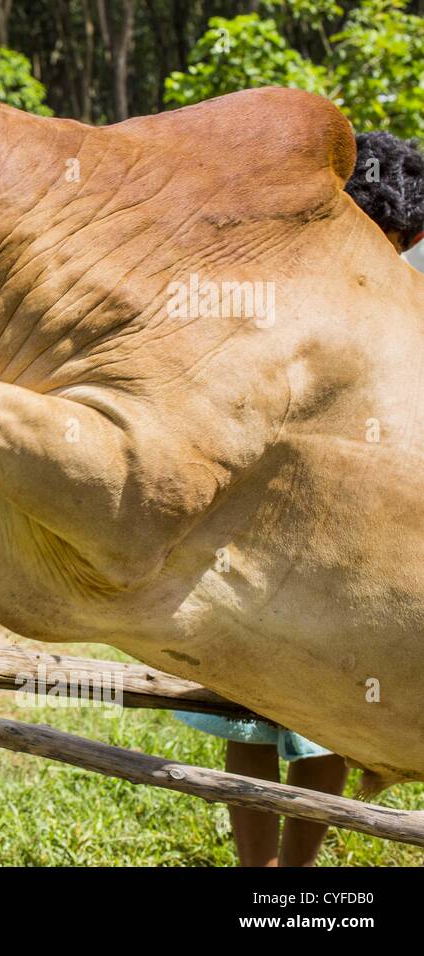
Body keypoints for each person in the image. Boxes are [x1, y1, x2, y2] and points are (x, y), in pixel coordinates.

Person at [172, 130, 424, 868]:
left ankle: (283, 877)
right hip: (299, 529)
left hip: (308, 531)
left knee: (288, 713)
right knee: (271, 713)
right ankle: (277, 877)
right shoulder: (300, 284)